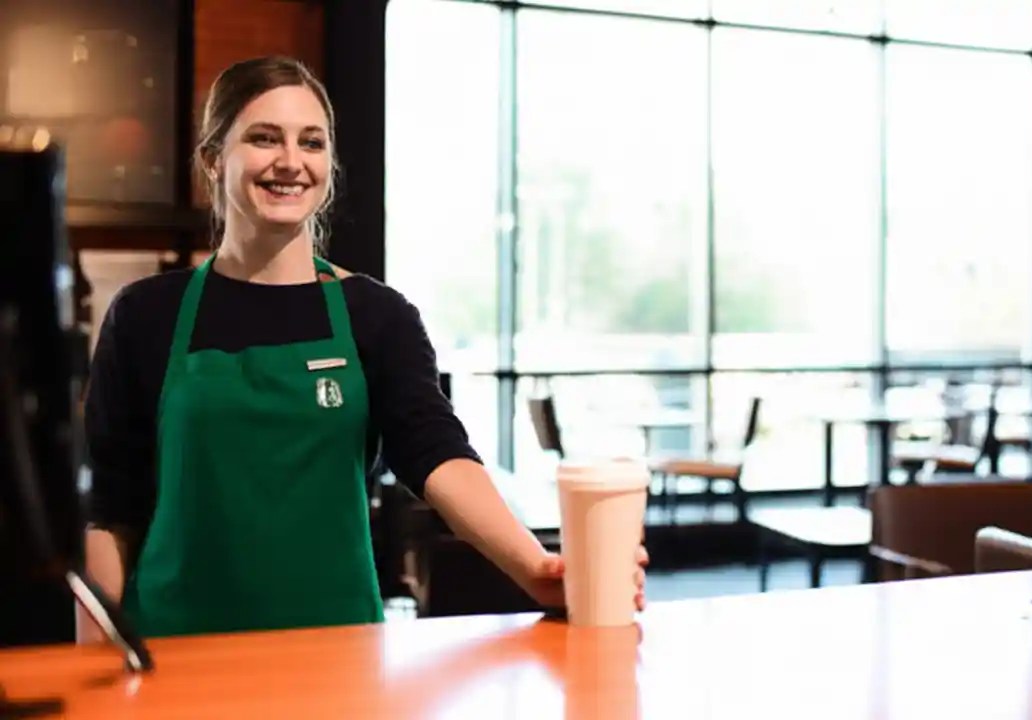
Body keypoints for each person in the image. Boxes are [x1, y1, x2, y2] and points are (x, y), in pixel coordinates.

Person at [79, 56, 646, 640]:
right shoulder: (146, 315)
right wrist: (95, 664)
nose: (291, 162)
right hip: (177, 650)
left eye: (312, 142)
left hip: (338, 648)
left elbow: (436, 454)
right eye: (264, 138)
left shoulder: (377, 316)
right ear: (212, 160)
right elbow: (111, 506)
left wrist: (538, 570)